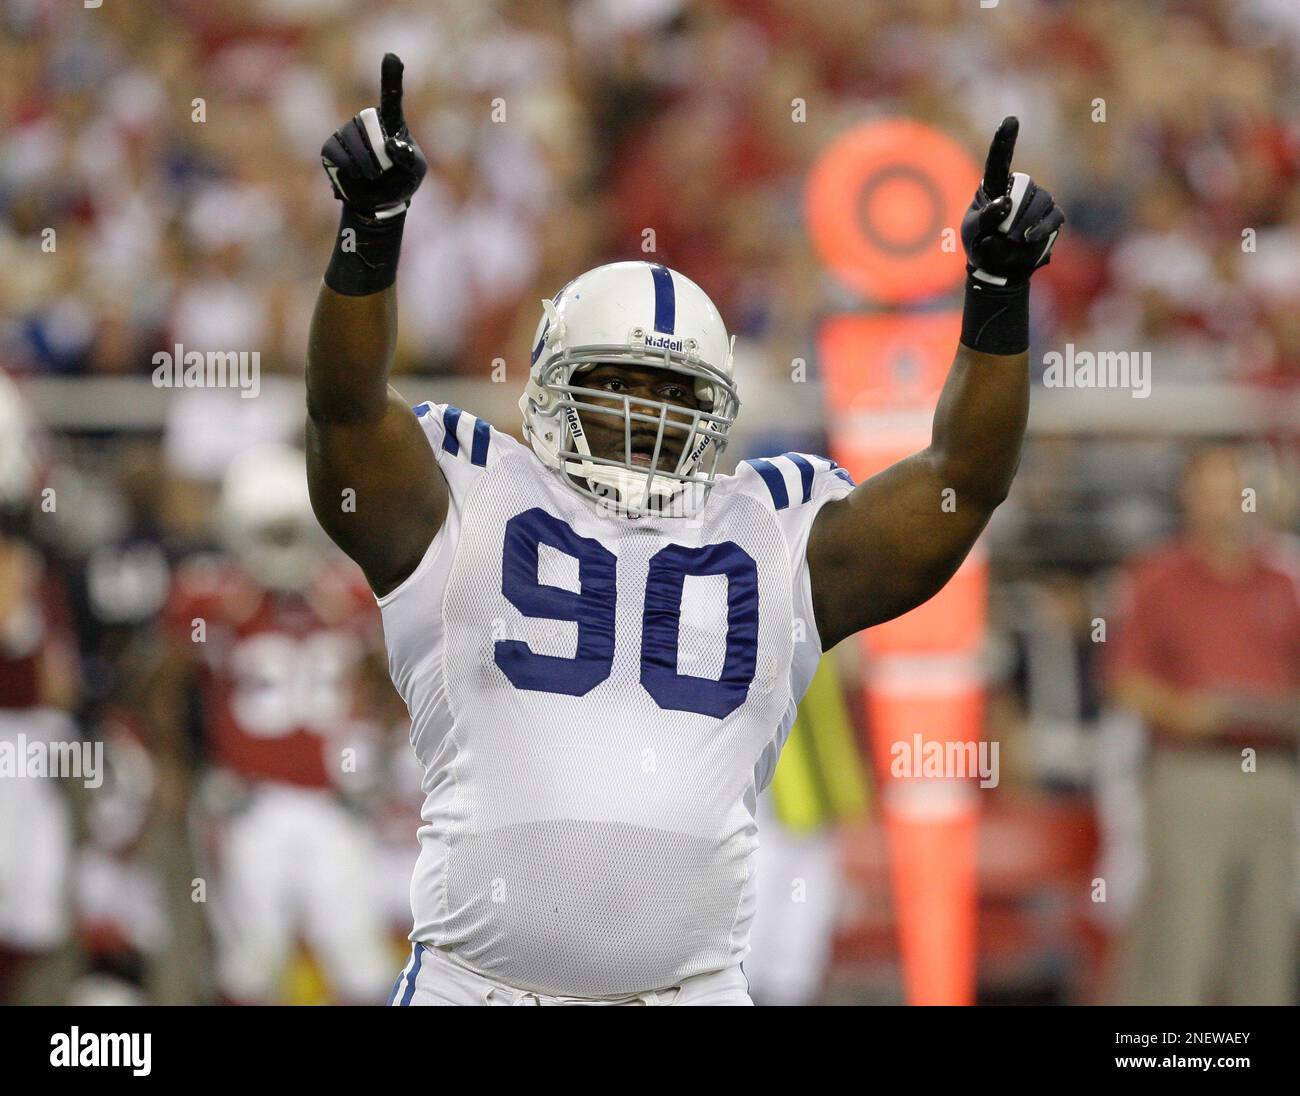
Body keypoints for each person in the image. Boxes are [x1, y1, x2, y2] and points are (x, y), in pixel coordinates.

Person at [306, 55, 1064, 1005]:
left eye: (674, 391)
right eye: (618, 381)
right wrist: (368, 235)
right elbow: (343, 416)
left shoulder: (770, 527)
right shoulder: (468, 496)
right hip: (477, 986)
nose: (646, 412)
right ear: (552, 387)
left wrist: (996, 294)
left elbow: (963, 479)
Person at [147, 444, 394, 1004]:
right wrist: (181, 765)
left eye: (290, 532)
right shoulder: (210, 598)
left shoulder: (347, 595)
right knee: (251, 961)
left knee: (360, 957)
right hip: (250, 803)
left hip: (335, 802)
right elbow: (162, 689)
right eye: (271, 533)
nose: (282, 548)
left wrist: (376, 750)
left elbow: (391, 683)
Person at [1108, 445, 1300, 1005]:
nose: (1223, 504)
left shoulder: (1284, 579)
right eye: (1210, 488)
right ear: (1187, 496)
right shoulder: (1159, 576)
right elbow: (1124, 680)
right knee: (1181, 935)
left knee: (1267, 939)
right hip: (1191, 776)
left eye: (1232, 488)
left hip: (1273, 775)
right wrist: (1186, 713)